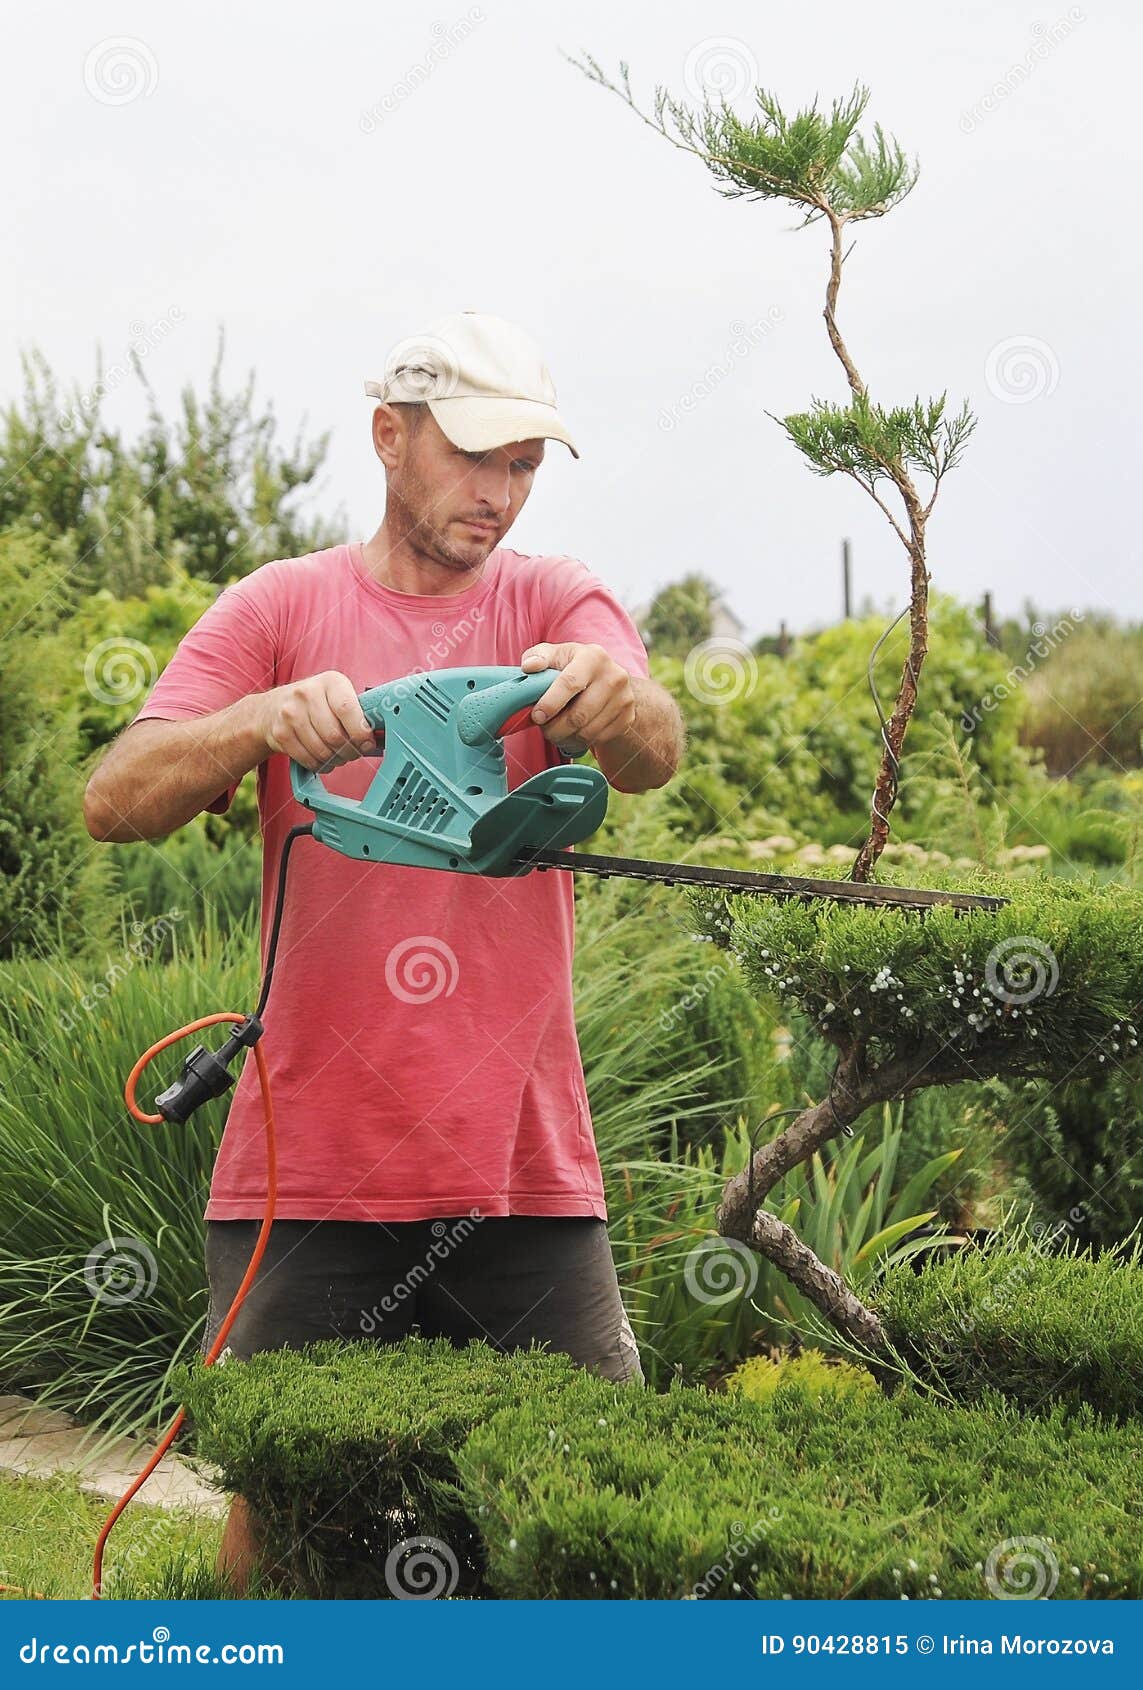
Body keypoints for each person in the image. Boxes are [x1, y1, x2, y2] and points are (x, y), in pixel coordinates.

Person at [83, 309, 685, 1590]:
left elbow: (651, 747)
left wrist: (618, 696)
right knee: (284, 1533)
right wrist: (254, 721)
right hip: (310, 1174)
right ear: (389, 437)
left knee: (604, 1519)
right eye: (476, 456)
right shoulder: (282, 606)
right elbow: (116, 796)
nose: (500, 492)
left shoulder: (551, 599)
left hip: (524, 1171)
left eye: (525, 464)